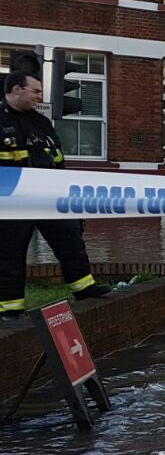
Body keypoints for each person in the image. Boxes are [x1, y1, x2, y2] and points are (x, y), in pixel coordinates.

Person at [0, 71, 109, 317]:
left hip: (47, 197)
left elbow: (57, 158)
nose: (40, 96)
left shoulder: (41, 122)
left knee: (70, 240)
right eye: (35, 91)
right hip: (11, 202)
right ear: (17, 90)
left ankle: (84, 289)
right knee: (10, 254)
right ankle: (11, 309)